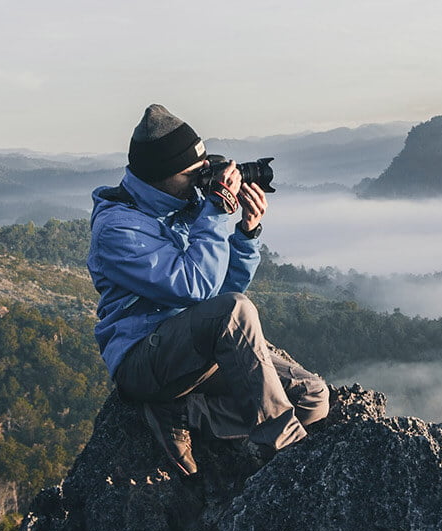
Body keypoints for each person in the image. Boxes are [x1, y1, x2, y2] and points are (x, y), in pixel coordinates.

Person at [88, 104, 329, 475]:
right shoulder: (118, 229)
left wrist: (246, 234)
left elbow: (220, 293)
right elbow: (197, 290)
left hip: (194, 351)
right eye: (193, 174)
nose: (202, 181)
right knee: (237, 310)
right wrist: (215, 210)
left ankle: (184, 412)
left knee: (312, 398)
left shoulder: (184, 206)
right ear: (160, 176)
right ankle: (286, 452)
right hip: (144, 361)